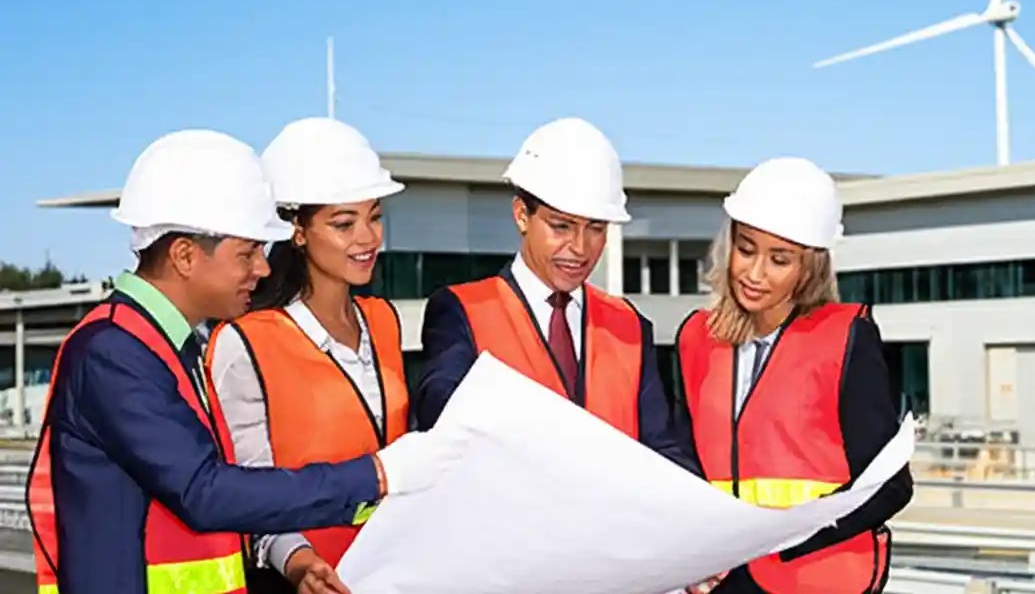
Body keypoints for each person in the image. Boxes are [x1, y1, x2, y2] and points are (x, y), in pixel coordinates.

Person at [26, 129, 439, 594]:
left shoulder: (163, 346)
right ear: (184, 255)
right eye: (247, 253)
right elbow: (206, 491)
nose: (262, 269)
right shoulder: (113, 352)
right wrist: (374, 475)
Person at [674, 157, 914, 594]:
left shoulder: (847, 339)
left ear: (810, 268)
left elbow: (891, 486)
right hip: (719, 579)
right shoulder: (695, 339)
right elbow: (680, 462)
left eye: (779, 260)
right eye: (746, 249)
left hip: (816, 578)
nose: (755, 273)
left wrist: (786, 537)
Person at [412, 117, 697, 472]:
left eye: (595, 228)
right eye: (561, 226)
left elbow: (664, 451)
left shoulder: (630, 325)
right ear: (521, 215)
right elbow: (442, 423)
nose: (579, 248)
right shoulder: (462, 313)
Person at [205, 118, 409, 593]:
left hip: (397, 574)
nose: (367, 238)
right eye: (343, 223)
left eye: (374, 216)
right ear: (297, 229)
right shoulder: (246, 342)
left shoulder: (384, 321)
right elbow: (246, 492)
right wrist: (299, 562)